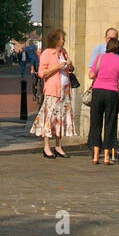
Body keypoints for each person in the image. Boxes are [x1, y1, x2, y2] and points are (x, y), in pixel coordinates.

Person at [30, 28, 75, 157]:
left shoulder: (64, 52)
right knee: (50, 118)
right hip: (52, 90)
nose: (64, 41)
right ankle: (46, 147)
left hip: (65, 91)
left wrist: (70, 66)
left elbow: (70, 69)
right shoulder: (47, 53)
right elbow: (42, 73)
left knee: (61, 118)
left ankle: (59, 146)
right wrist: (57, 67)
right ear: (56, 40)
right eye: (62, 38)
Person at [87, 37, 119, 165]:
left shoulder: (99, 58)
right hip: (112, 93)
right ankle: (106, 157)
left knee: (96, 123)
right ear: (118, 48)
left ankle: (95, 156)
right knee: (110, 124)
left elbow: (91, 75)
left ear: (107, 47)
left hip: (98, 91)